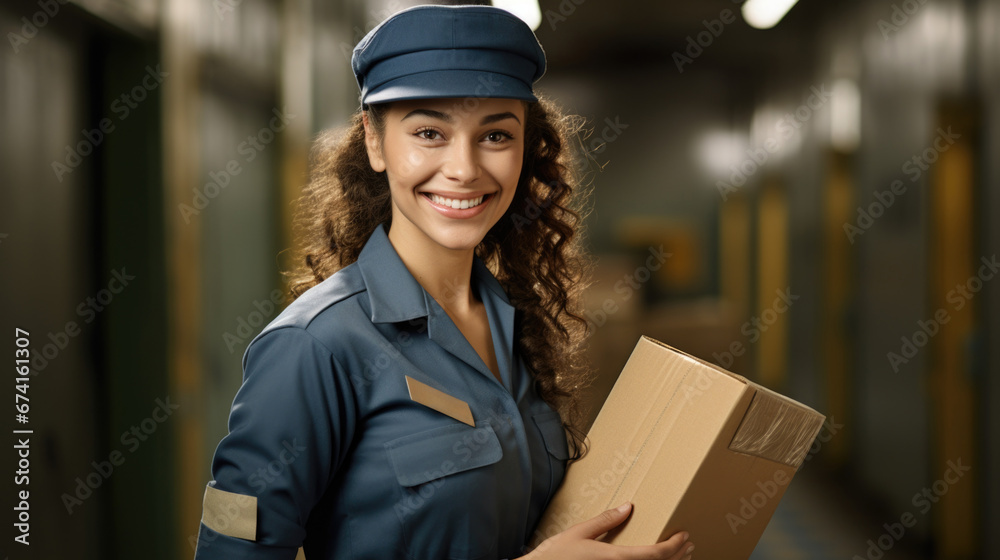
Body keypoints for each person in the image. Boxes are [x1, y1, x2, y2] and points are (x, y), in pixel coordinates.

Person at [193, 4, 695, 560]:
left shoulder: (512, 320)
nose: (464, 168)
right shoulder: (313, 347)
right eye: (430, 132)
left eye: (496, 136)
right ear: (375, 142)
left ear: (526, 147)